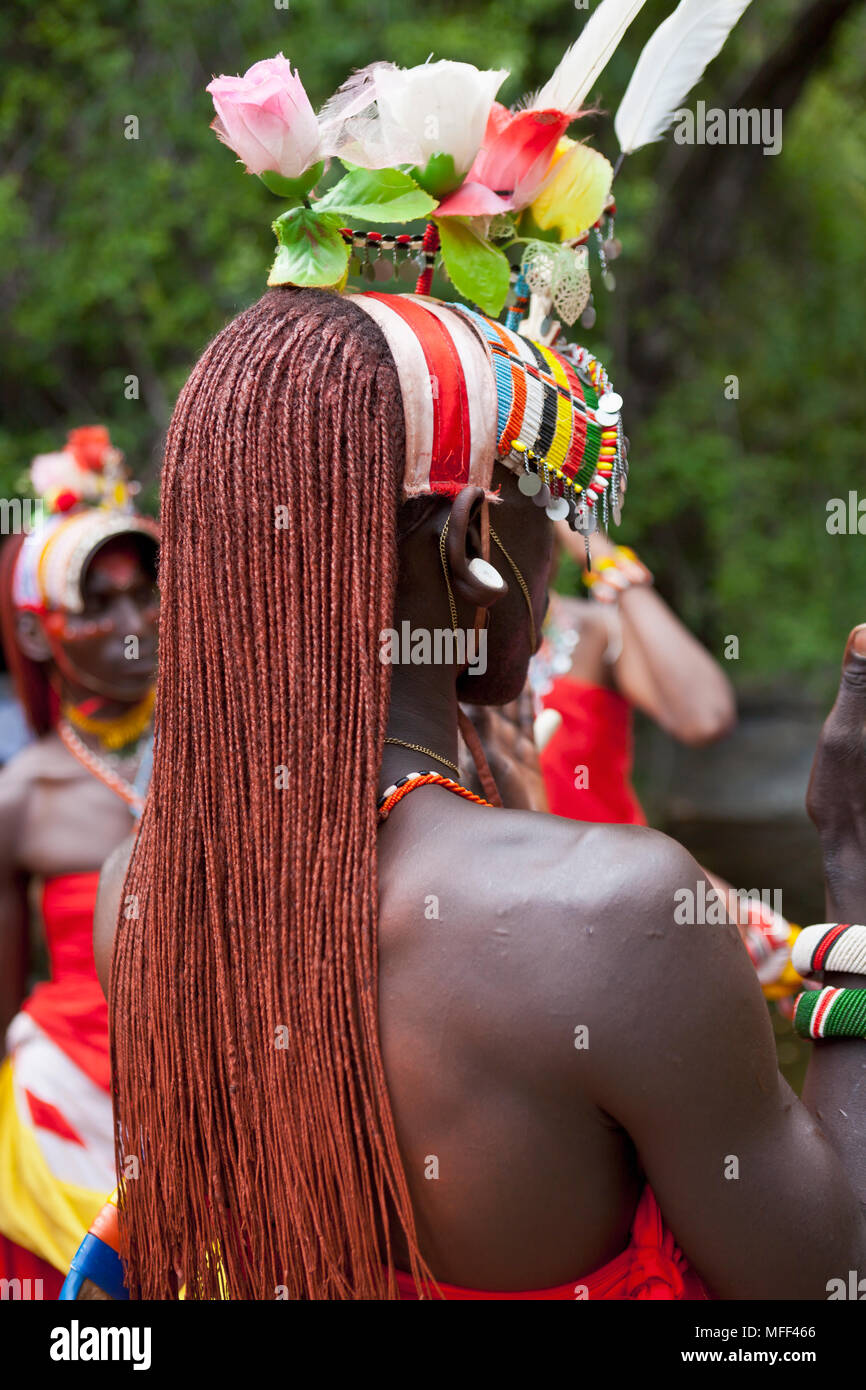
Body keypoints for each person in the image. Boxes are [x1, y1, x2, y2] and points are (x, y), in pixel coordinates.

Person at [90, 286, 866, 1301]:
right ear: (469, 546)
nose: (559, 547)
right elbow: (829, 1283)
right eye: (552, 508)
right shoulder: (610, 912)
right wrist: (852, 865)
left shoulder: (135, 891)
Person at [0, 428, 158, 1297]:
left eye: (146, 594)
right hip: (64, 1112)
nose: (134, 627)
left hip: (228, 1096)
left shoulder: (236, 749)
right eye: (99, 604)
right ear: (38, 628)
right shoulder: (21, 796)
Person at [530, 529, 736, 826]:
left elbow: (707, 717)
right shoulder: (460, 645)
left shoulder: (598, 632)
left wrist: (597, 549)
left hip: (610, 853)